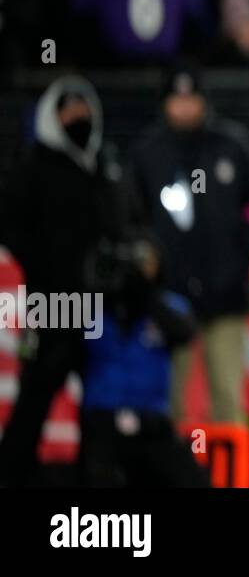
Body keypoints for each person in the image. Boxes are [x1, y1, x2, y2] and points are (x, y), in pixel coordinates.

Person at [126, 65, 249, 427]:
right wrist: (147, 266)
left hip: (226, 293)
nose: (185, 107)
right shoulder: (148, 153)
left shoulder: (231, 145)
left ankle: (232, 480)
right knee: (168, 403)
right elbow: (131, 216)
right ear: (165, 103)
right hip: (170, 300)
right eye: (177, 99)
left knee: (227, 400)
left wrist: (248, 248)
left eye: (192, 98)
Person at [0, 76, 121, 486]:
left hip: (95, 305)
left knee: (99, 397)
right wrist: (44, 266)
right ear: (52, 116)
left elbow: (115, 225)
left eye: (83, 109)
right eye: (67, 110)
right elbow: (11, 224)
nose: (77, 117)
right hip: (49, 301)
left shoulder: (100, 164)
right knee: (37, 390)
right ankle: (13, 474)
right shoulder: (34, 164)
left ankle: (95, 474)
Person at [78, 234, 208, 487]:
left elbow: (186, 330)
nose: (138, 268)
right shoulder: (91, 307)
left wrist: (146, 294)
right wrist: (106, 291)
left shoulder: (167, 305)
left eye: (144, 260)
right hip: (103, 422)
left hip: (152, 424)